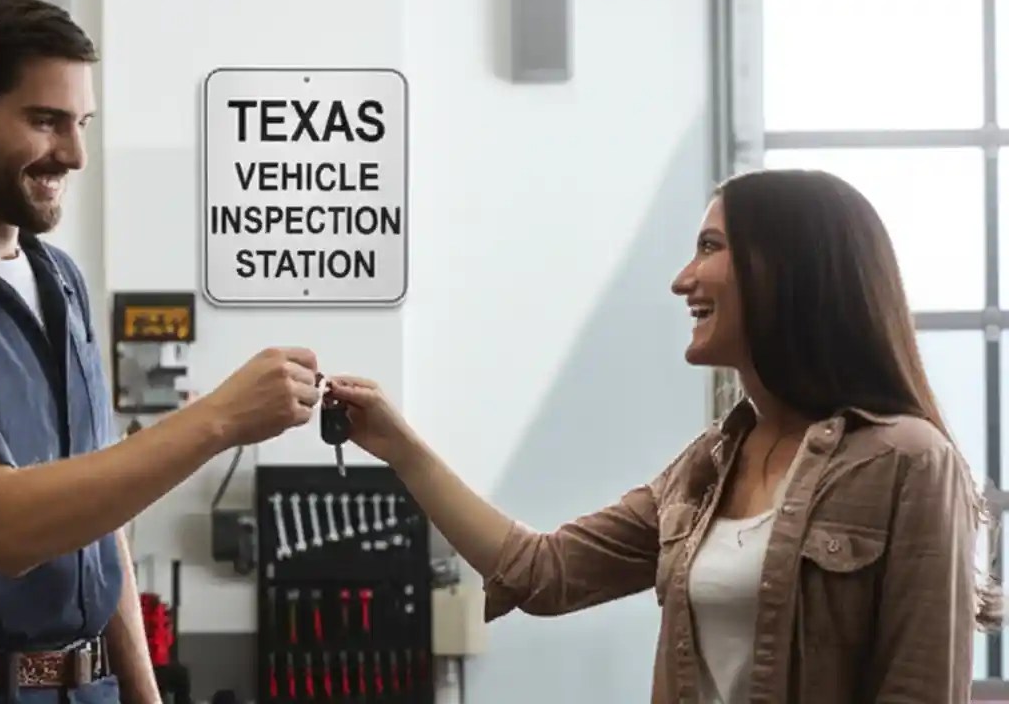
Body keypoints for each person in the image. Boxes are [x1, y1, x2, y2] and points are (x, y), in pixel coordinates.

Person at [0, 0, 321, 702]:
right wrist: (220, 419)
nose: (74, 153)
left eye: (81, 122)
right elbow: (5, 527)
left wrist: (144, 696)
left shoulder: (60, 282)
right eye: (45, 121)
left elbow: (99, 518)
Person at [327, 168, 1002, 704]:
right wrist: (401, 449)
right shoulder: (706, 468)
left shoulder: (908, 463)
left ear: (788, 270)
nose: (683, 279)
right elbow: (543, 574)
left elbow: (919, 691)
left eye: (710, 247)